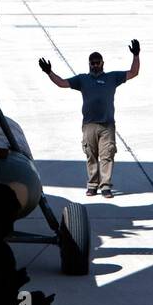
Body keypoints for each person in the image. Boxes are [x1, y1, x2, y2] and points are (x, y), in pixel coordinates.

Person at [39, 40, 140, 198]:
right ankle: (92, 185)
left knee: (107, 155)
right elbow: (62, 83)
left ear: (102, 63)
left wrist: (136, 55)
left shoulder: (112, 77)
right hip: (89, 125)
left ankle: (105, 186)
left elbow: (133, 73)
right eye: (92, 63)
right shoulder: (82, 79)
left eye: (97, 63)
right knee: (91, 154)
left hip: (107, 124)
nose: (94, 65)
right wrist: (49, 72)